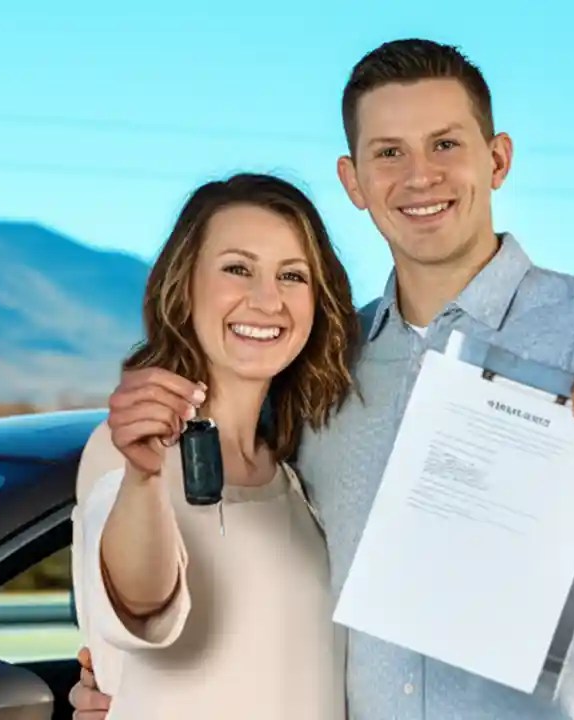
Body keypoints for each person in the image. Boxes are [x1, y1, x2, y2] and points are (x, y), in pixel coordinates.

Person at [74, 38, 574, 720]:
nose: (419, 177)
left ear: (497, 160)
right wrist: (136, 689)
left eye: (444, 145)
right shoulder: (323, 369)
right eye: (389, 153)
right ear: (354, 181)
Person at [68, 172, 359, 719]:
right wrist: (144, 476)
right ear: (185, 286)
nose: (266, 300)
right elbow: (142, 599)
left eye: (292, 276)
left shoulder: (294, 475)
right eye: (237, 269)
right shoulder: (127, 448)